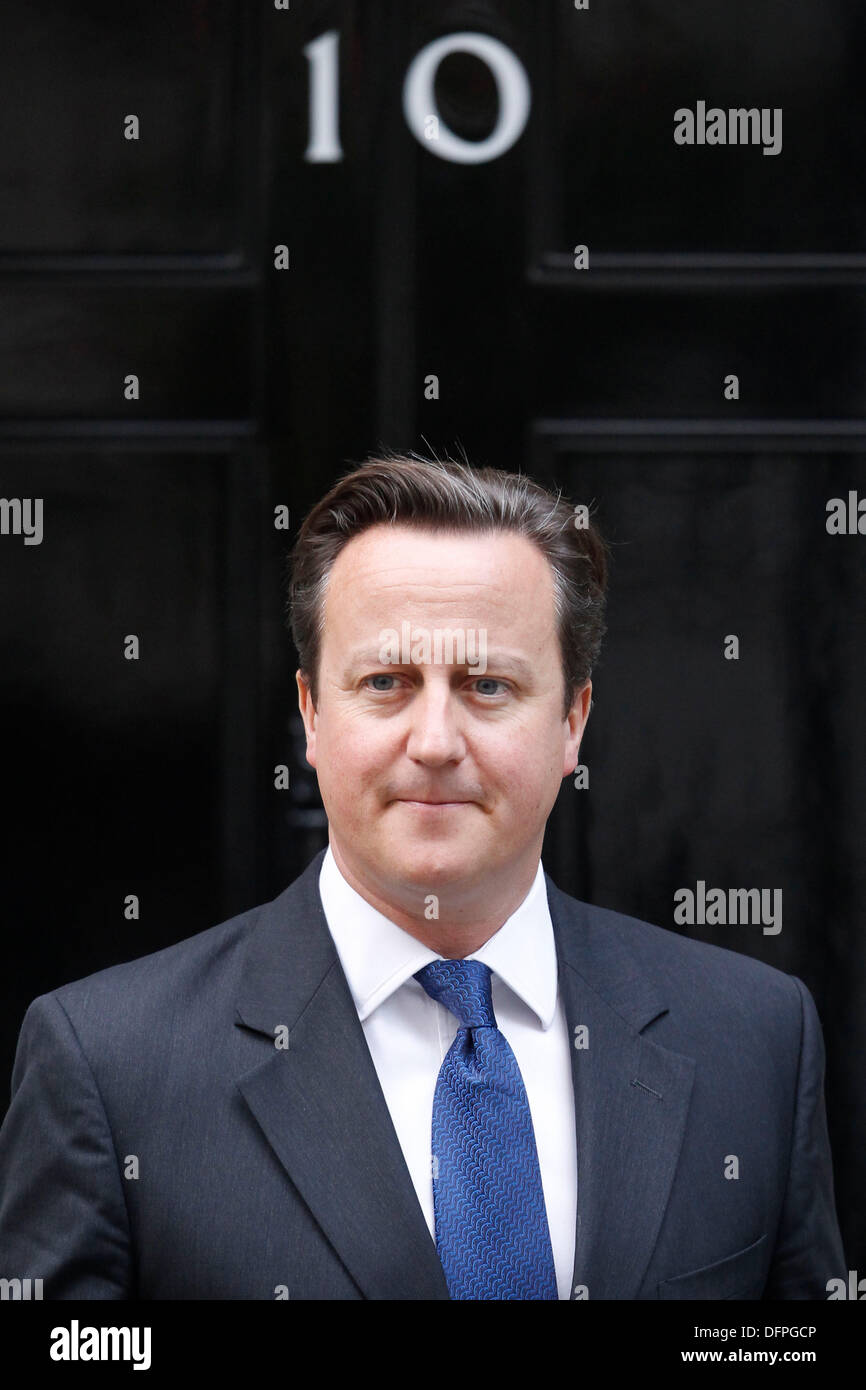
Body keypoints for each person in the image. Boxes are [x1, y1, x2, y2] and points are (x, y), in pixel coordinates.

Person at [0, 451, 846, 1299]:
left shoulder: (754, 1039)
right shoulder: (109, 1069)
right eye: (387, 682)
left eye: (487, 684)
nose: (436, 741)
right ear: (312, 715)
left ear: (571, 722)